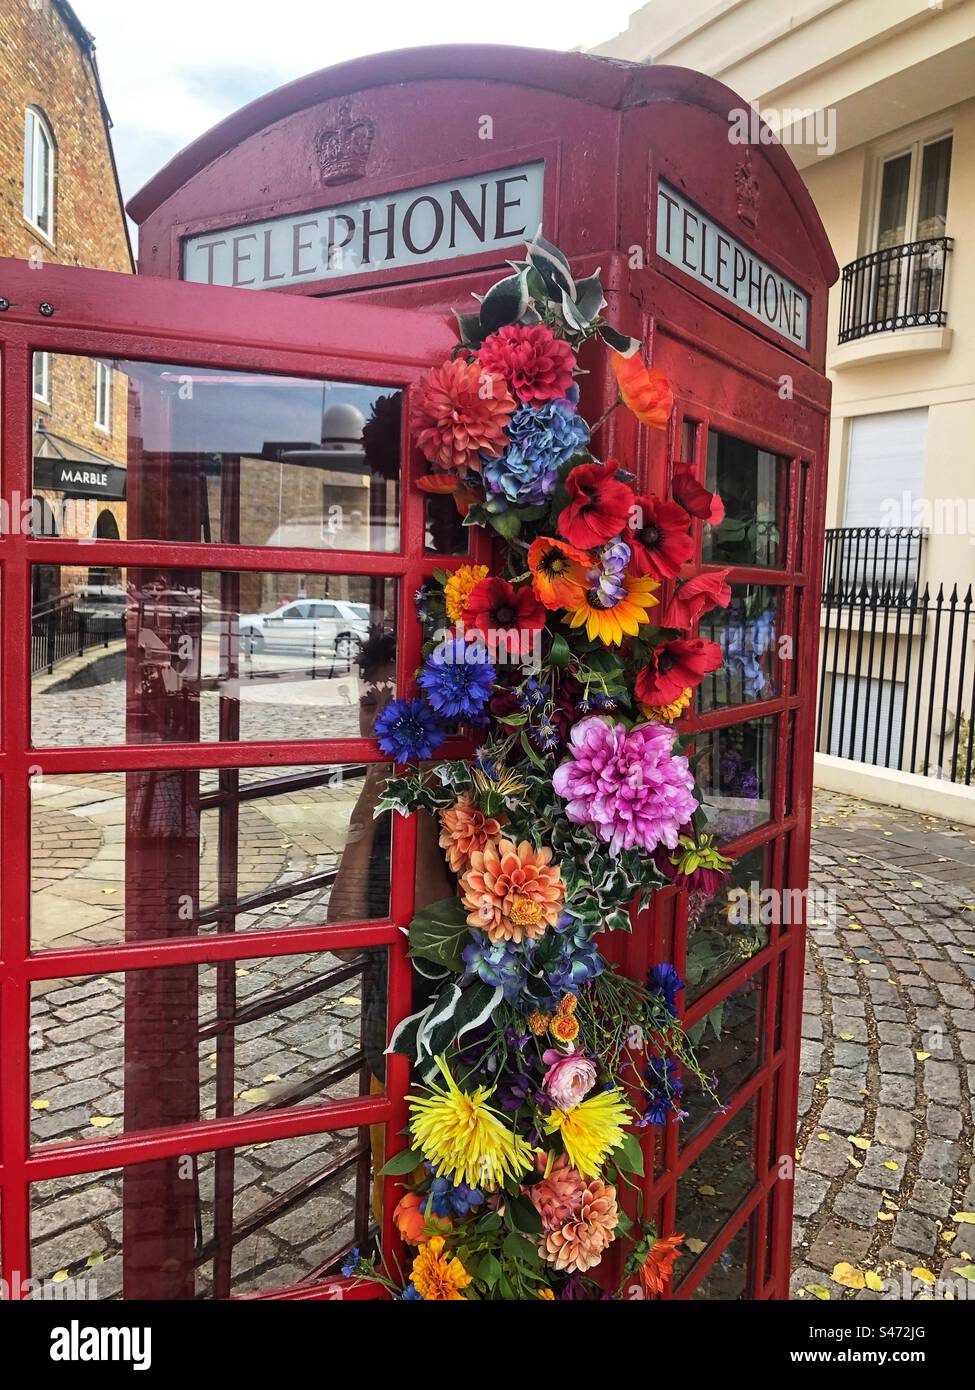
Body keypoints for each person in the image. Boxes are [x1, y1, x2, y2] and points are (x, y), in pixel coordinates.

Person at [327, 631, 453, 1222]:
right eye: (367, 702)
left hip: (453, 1058)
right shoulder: (376, 800)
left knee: (442, 1220)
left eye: (392, 705)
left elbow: (433, 937)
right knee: (392, 1209)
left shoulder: (461, 805)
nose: (378, 720)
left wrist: (416, 805)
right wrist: (371, 806)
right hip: (384, 1042)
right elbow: (341, 932)